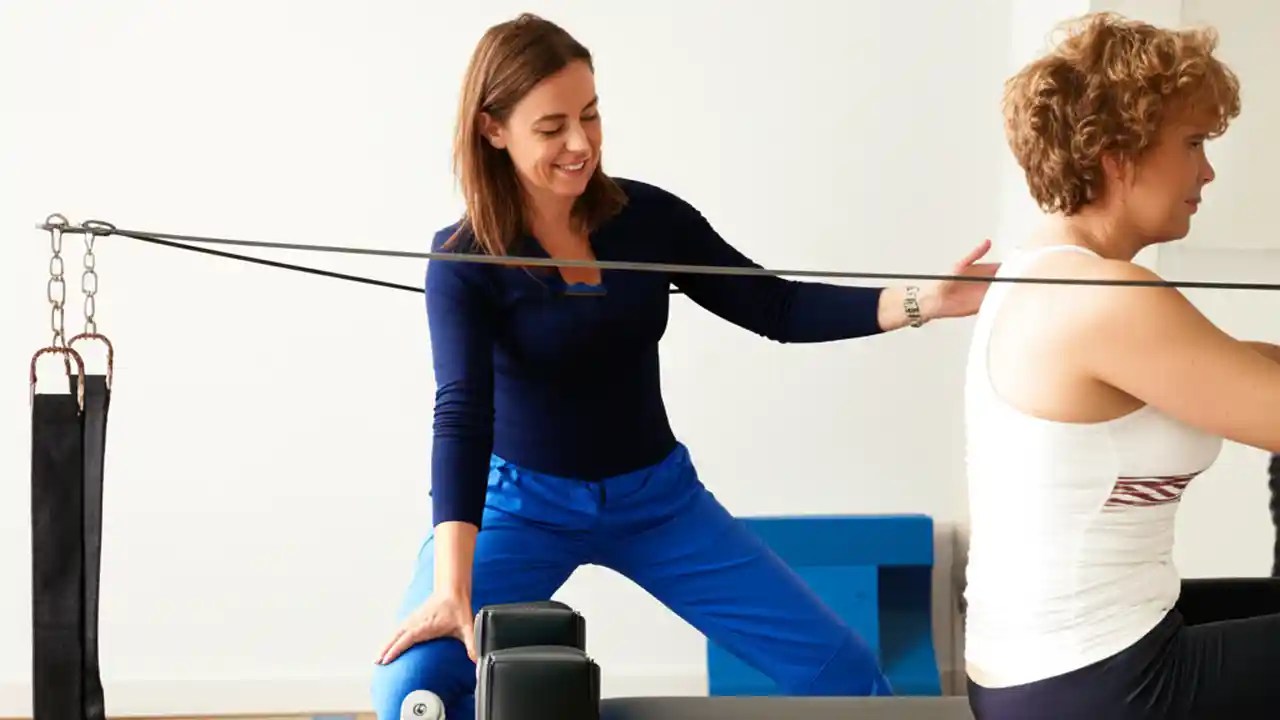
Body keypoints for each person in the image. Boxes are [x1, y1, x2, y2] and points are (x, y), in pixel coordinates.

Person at [369, 13, 998, 719]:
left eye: (590, 115)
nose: (581, 144)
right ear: (493, 129)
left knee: (848, 679)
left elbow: (777, 308)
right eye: (551, 127)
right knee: (410, 693)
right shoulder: (462, 259)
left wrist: (926, 301)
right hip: (523, 506)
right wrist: (452, 587)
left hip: (657, 503)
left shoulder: (647, 219)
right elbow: (462, 412)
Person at [962, 11, 1280, 720]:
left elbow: (1236, 366)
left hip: (1056, 672)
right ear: (1118, 153)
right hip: (1094, 683)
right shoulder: (1105, 297)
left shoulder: (1046, 272)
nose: (1207, 171)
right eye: (1192, 144)